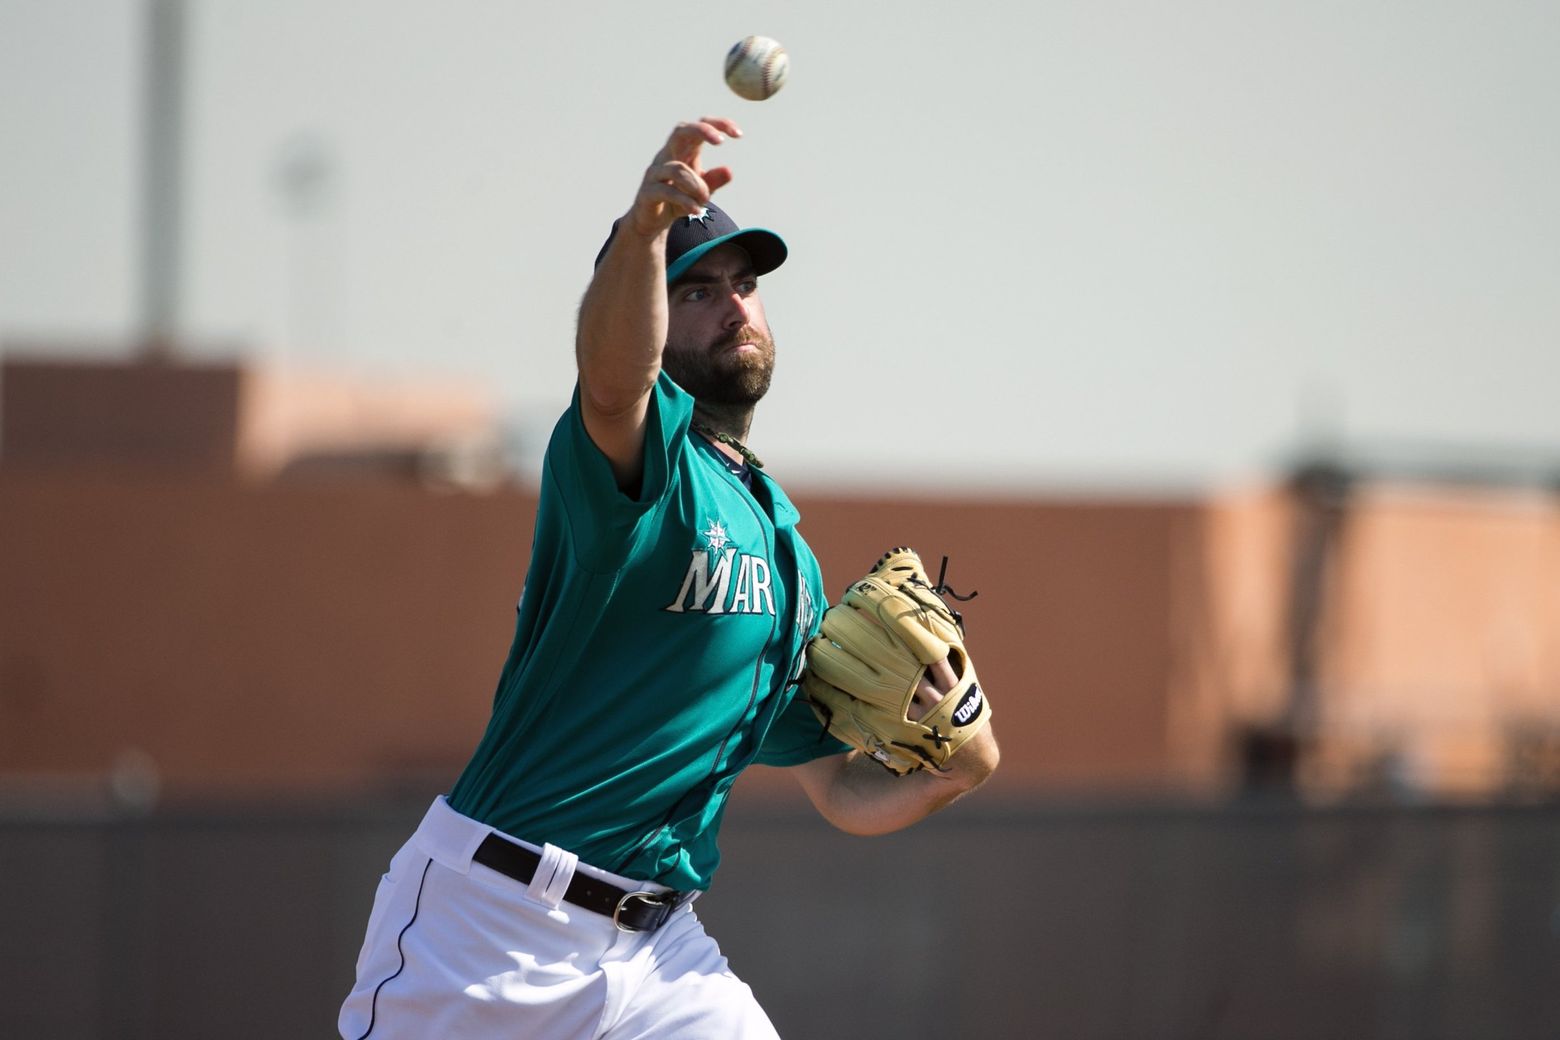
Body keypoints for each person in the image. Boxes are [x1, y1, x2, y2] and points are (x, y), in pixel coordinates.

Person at [337, 116, 1000, 1040]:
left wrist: (956, 769)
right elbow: (613, 383)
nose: (733, 305)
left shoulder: (788, 556)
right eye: (696, 291)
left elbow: (843, 791)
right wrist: (646, 231)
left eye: (745, 284)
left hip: (657, 953)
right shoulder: (638, 472)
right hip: (493, 932)